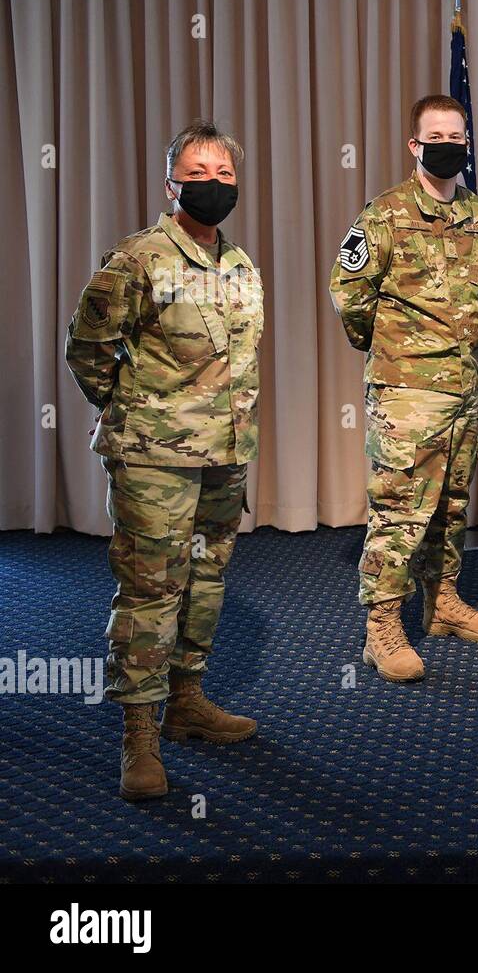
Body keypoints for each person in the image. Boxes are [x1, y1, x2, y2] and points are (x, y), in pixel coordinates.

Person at [65, 120, 262, 800]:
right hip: (153, 460)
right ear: (170, 180)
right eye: (199, 173)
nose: (213, 185)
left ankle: (187, 702)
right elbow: (88, 350)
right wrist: (136, 414)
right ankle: (139, 738)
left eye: (225, 175)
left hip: (224, 457)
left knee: (206, 582)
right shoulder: (139, 259)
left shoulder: (239, 266)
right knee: (151, 593)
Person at [329, 95, 478, 683]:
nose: (449, 145)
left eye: (458, 135)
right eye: (437, 136)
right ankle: (381, 627)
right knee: (400, 512)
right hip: (406, 392)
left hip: (462, 389)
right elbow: (349, 297)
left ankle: (443, 603)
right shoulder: (382, 215)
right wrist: (393, 352)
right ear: (414, 145)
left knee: (452, 506)